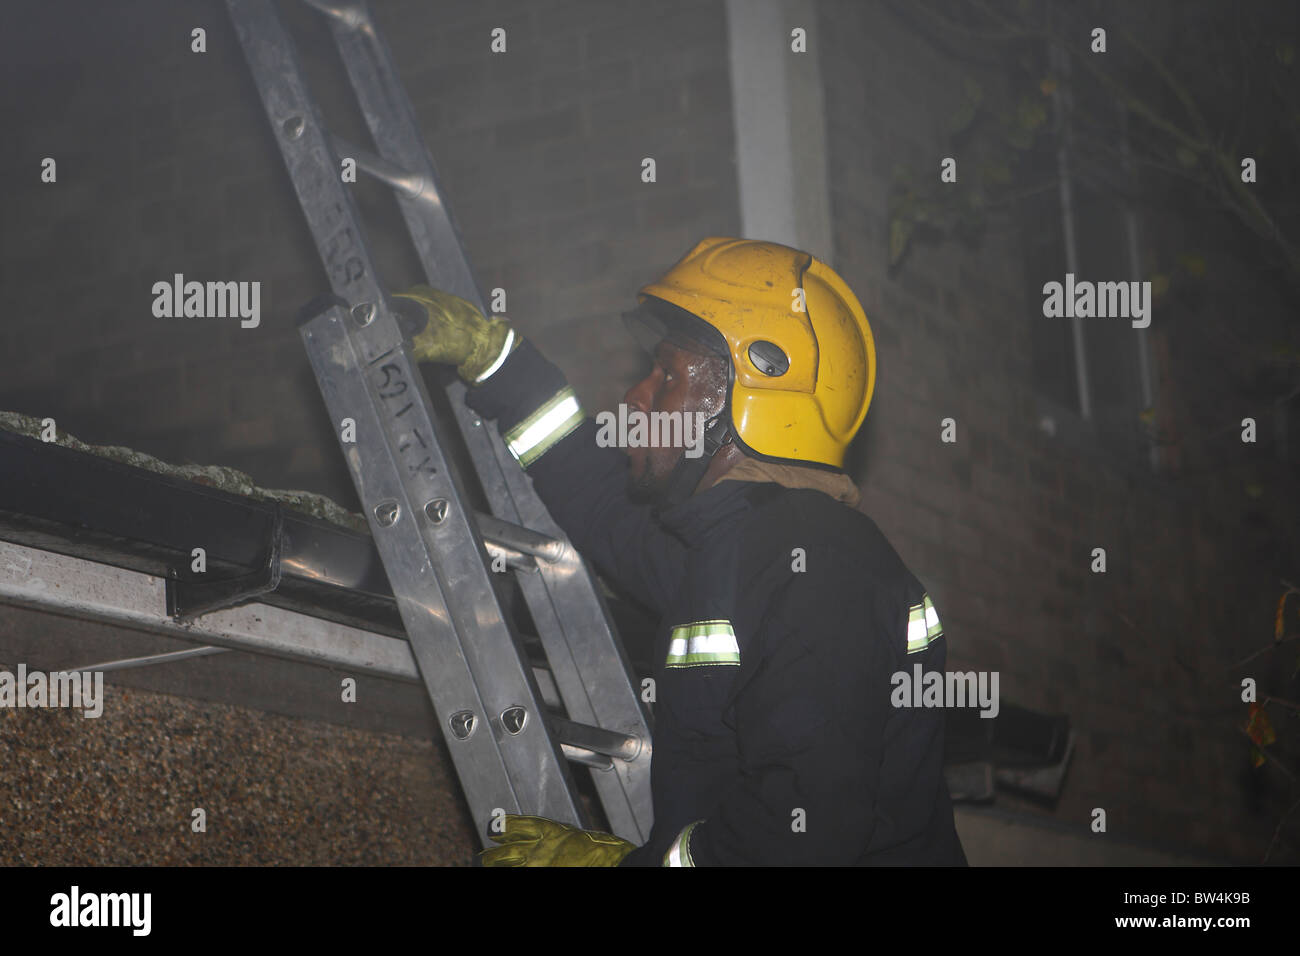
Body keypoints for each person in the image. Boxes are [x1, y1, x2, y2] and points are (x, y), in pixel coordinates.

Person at [393, 236, 967, 866]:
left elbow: (800, 831)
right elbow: (599, 499)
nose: (637, 397)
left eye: (667, 374)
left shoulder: (817, 568)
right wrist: (499, 363)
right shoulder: (734, 552)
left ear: (749, 397)